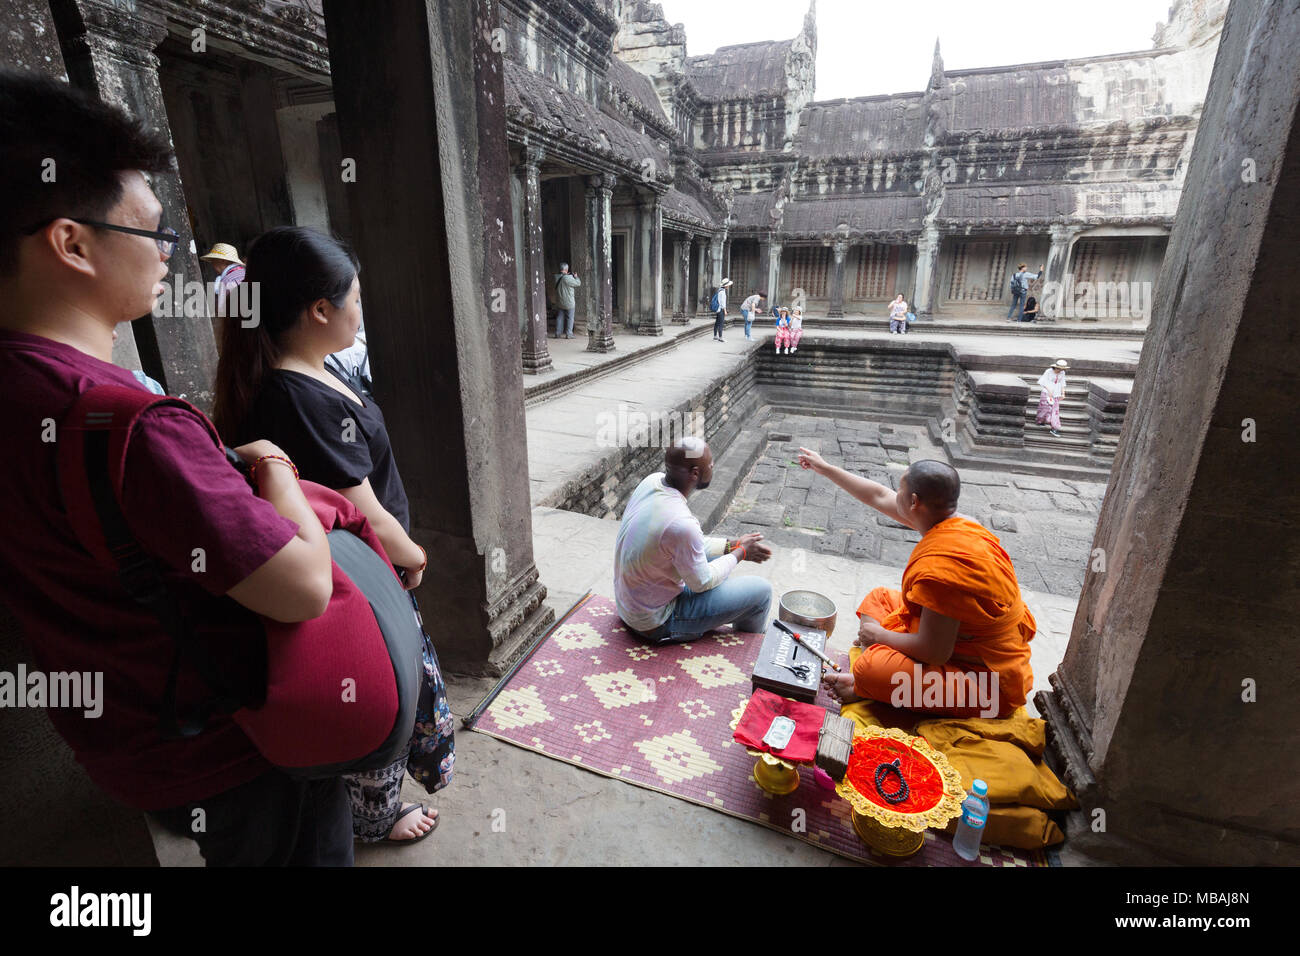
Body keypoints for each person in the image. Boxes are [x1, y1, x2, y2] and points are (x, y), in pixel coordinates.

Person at [0, 70, 352, 865]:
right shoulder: (133, 424)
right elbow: (301, 587)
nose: (170, 254)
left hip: (119, 738)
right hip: (231, 744)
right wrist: (278, 474)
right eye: (153, 232)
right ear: (72, 243)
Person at [213, 226, 455, 845]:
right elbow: (363, 509)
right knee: (376, 686)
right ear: (320, 310)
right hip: (360, 570)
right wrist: (414, 554)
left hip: (365, 566)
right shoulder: (298, 396)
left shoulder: (314, 371)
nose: (360, 309)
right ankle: (374, 818)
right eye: (355, 298)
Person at [795, 453, 1035, 719]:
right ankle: (876, 667)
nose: (894, 494)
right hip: (955, 640)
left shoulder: (944, 569)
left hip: (987, 683)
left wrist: (879, 636)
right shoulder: (957, 522)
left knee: (871, 670)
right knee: (879, 598)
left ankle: (868, 684)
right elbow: (878, 495)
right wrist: (827, 469)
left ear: (913, 502)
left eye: (900, 489)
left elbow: (935, 652)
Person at [615, 438, 774, 644]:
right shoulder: (681, 522)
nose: (713, 465)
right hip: (654, 623)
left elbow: (688, 543)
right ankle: (748, 652)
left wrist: (731, 545)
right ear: (695, 473)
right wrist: (741, 553)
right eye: (710, 463)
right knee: (761, 592)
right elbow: (702, 582)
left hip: (630, 606)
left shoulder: (651, 482)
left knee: (720, 567)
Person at [199, 242, 245, 316]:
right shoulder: (244, 273)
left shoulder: (227, 281)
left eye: (213, 260)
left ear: (223, 260)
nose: (212, 264)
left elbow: (221, 311)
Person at [1035, 359, 1068, 437]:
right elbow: (1042, 381)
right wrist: (1049, 391)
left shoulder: (1062, 373)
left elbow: (1062, 383)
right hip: (1046, 392)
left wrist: (1063, 393)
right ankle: (1040, 421)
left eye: (1062, 369)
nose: (1060, 370)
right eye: (1059, 368)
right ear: (1055, 367)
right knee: (1045, 408)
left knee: (1054, 411)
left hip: (1056, 393)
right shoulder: (1048, 371)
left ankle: (1054, 428)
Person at [553, 262, 580, 339]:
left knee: (560, 317)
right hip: (569, 303)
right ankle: (569, 334)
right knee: (570, 317)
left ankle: (558, 333)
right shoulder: (568, 278)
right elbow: (578, 283)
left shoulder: (556, 277)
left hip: (559, 302)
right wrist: (576, 277)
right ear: (566, 269)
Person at [712, 277, 733, 342]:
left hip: (718, 309)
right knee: (721, 323)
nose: (729, 286)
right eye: (728, 285)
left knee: (717, 323)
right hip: (720, 309)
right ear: (726, 285)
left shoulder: (720, 290)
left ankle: (715, 336)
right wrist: (725, 310)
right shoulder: (722, 292)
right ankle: (720, 338)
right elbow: (722, 303)